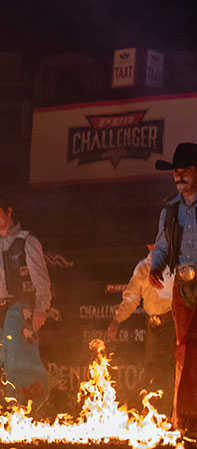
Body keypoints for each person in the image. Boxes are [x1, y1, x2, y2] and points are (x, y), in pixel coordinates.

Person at [0, 199, 51, 409]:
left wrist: (41, 309)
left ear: (9, 211)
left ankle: (29, 410)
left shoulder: (27, 241)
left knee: (19, 358)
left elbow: (41, 278)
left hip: (20, 308)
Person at [150, 142, 197, 435]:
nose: (178, 176)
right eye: (176, 172)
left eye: (185, 171)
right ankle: (185, 419)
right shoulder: (169, 211)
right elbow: (162, 245)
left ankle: (188, 418)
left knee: (191, 348)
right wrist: (156, 267)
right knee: (185, 350)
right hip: (183, 284)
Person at [107, 244, 174, 415]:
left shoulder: (174, 264)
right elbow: (131, 297)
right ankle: (153, 411)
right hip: (154, 325)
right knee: (152, 367)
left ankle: (169, 411)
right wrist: (117, 320)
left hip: (172, 323)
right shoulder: (143, 268)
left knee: (170, 368)